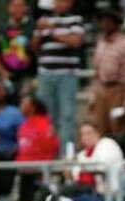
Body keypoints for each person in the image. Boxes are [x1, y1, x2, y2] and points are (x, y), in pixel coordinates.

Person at [33, 0, 86, 149]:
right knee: (46, 116)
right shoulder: (44, 20)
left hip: (67, 74)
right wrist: (38, 31)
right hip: (45, 74)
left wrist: (51, 30)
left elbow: (75, 42)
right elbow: (34, 47)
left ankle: (66, 152)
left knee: (67, 115)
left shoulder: (75, 20)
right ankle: (49, 150)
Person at [90, 5, 125, 138]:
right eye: (102, 21)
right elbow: (96, 72)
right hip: (101, 88)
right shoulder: (101, 42)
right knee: (100, 129)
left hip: (118, 90)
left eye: (108, 21)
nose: (104, 24)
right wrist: (93, 96)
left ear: (116, 24)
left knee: (119, 129)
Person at [15, 96, 59, 201]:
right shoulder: (24, 125)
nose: (20, 106)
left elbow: (51, 149)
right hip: (25, 174)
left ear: (32, 107)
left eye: (23, 103)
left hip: (37, 175)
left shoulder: (45, 125)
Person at [0, 0, 36, 93]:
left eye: (21, 6)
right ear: (8, 8)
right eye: (14, 6)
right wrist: (2, 72)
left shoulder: (33, 27)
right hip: (4, 75)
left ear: (26, 8)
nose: (18, 9)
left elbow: (36, 49)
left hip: (27, 75)